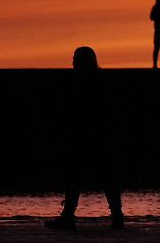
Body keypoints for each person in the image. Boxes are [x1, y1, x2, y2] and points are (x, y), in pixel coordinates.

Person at [45, 46, 124, 231]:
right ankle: (117, 218)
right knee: (104, 179)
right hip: (99, 139)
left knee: (76, 179)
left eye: (76, 59)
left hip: (89, 139)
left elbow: (76, 113)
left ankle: (69, 218)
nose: (73, 62)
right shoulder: (100, 81)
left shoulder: (82, 83)